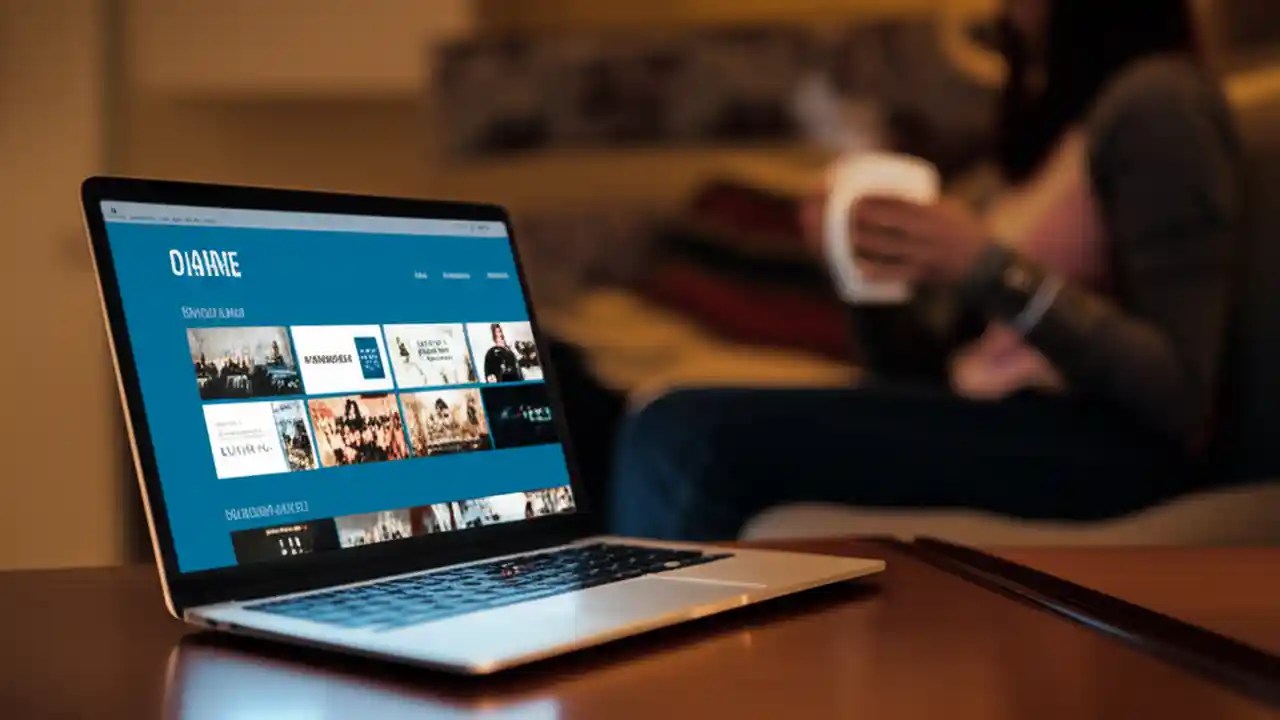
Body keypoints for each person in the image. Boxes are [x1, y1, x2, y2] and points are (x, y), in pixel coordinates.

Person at [610, 0, 1242, 540]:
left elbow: (1180, 396)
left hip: (1097, 443)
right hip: (995, 415)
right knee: (647, 409)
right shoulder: (1062, 128)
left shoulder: (1161, 101)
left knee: (685, 436)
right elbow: (919, 375)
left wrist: (984, 265)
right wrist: (862, 268)